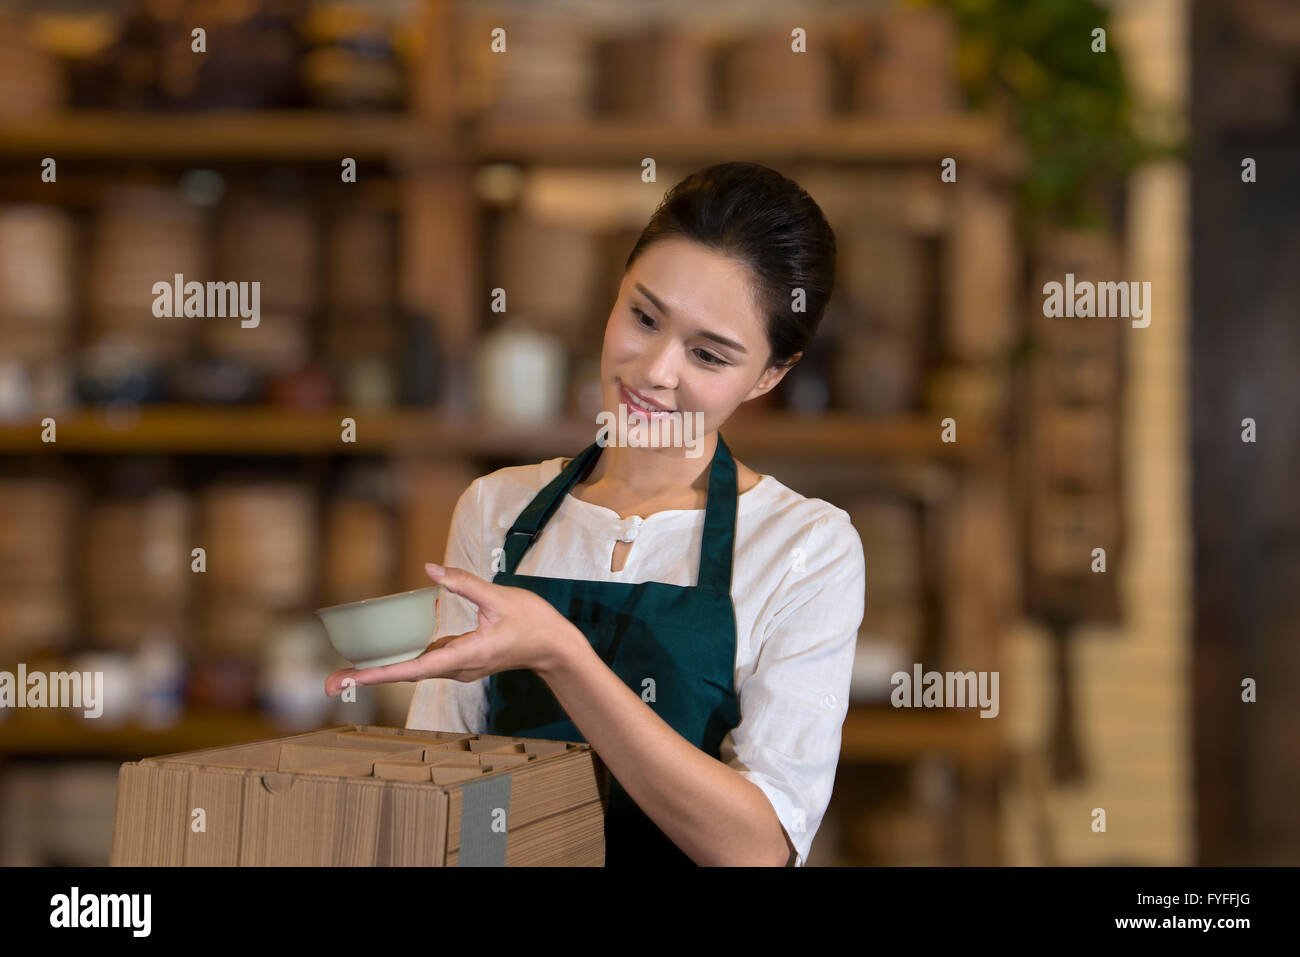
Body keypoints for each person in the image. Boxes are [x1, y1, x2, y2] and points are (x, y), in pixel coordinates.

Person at [326, 162, 866, 866]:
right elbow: (443, 789)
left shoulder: (805, 547)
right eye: (643, 317)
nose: (654, 370)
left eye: (707, 354)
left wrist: (562, 655)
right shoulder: (498, 509)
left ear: (771, 373)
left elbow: (755, 848)